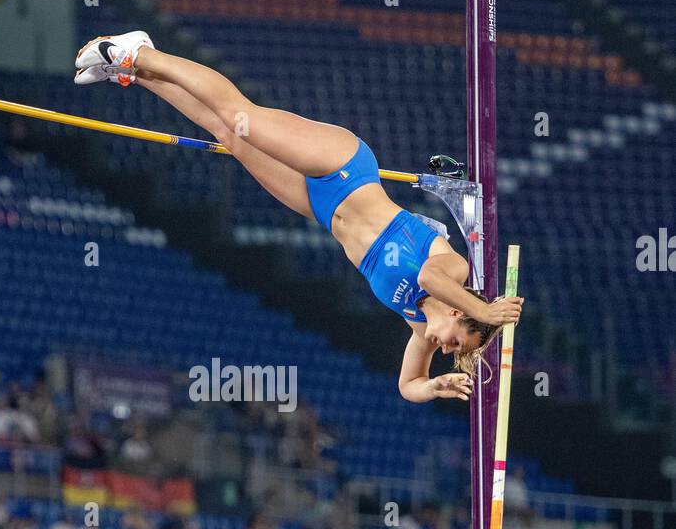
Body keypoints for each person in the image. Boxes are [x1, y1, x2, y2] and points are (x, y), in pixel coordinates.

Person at [74, 33, 523, 401]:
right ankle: (137, 50)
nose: (445, 349)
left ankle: (132, 72)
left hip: (320, 207)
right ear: (464, 315)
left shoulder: (419, 324)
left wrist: (434, 386)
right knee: (241, 115)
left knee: (228, 135)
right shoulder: (453, 269)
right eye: (457, 343)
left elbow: (406, 385)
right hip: (344, 167)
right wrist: (485, 309)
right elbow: (430, 280)